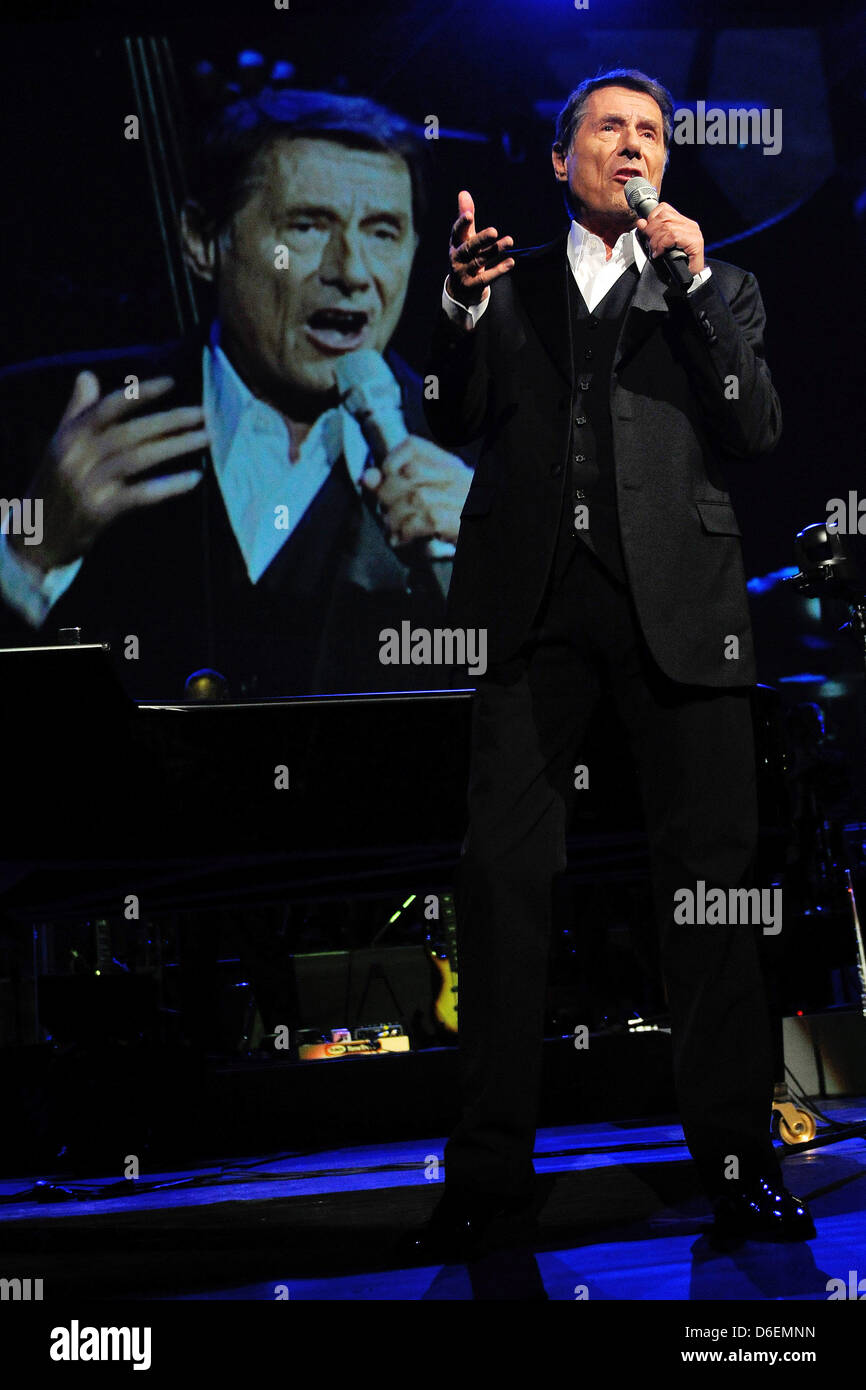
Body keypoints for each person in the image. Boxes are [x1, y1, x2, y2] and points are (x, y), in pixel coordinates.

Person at [406, 68, 815, 1260]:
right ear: (558, 159)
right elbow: (447, 412)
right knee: (502, 896)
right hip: (529, 616)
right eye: (607, 129)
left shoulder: (718, 283)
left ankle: (737, 1165)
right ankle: (487, 1178)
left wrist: (684, 283)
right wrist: (458, 309)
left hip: (680, 619)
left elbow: (751, 429)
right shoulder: (503, 282)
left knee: (707, 901)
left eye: (651, 133)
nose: (631, 147)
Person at [0, 89, 473, 698]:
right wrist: (24, 562)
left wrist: (497, 569)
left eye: (383, 232)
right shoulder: (35, 424)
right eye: (307, 226)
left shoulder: (491, 454)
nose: (353, 271)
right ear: (202, 240)